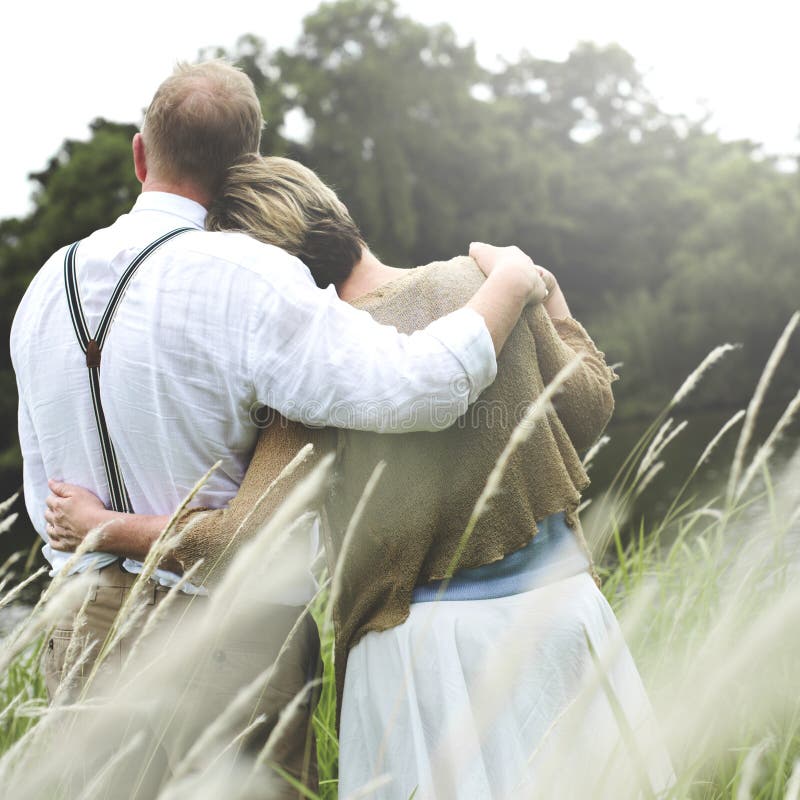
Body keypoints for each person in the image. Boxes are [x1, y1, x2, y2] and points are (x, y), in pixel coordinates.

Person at [46, 155, 675, 798]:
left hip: (424, 659)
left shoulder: (316, 367)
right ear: (333, 211)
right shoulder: (481, 283)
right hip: (563, 615)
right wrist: (548, 293)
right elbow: (588, 408)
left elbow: (242, 538)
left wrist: (106, 527)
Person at [10, 61, 545, 797]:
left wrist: (100, 531)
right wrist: (511, 283)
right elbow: (414, 389)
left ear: (141, 154)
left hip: (82, 623)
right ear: (247, 167)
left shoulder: (45, 286)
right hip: (230, 634)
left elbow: (46, 490)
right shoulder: (249, 275)